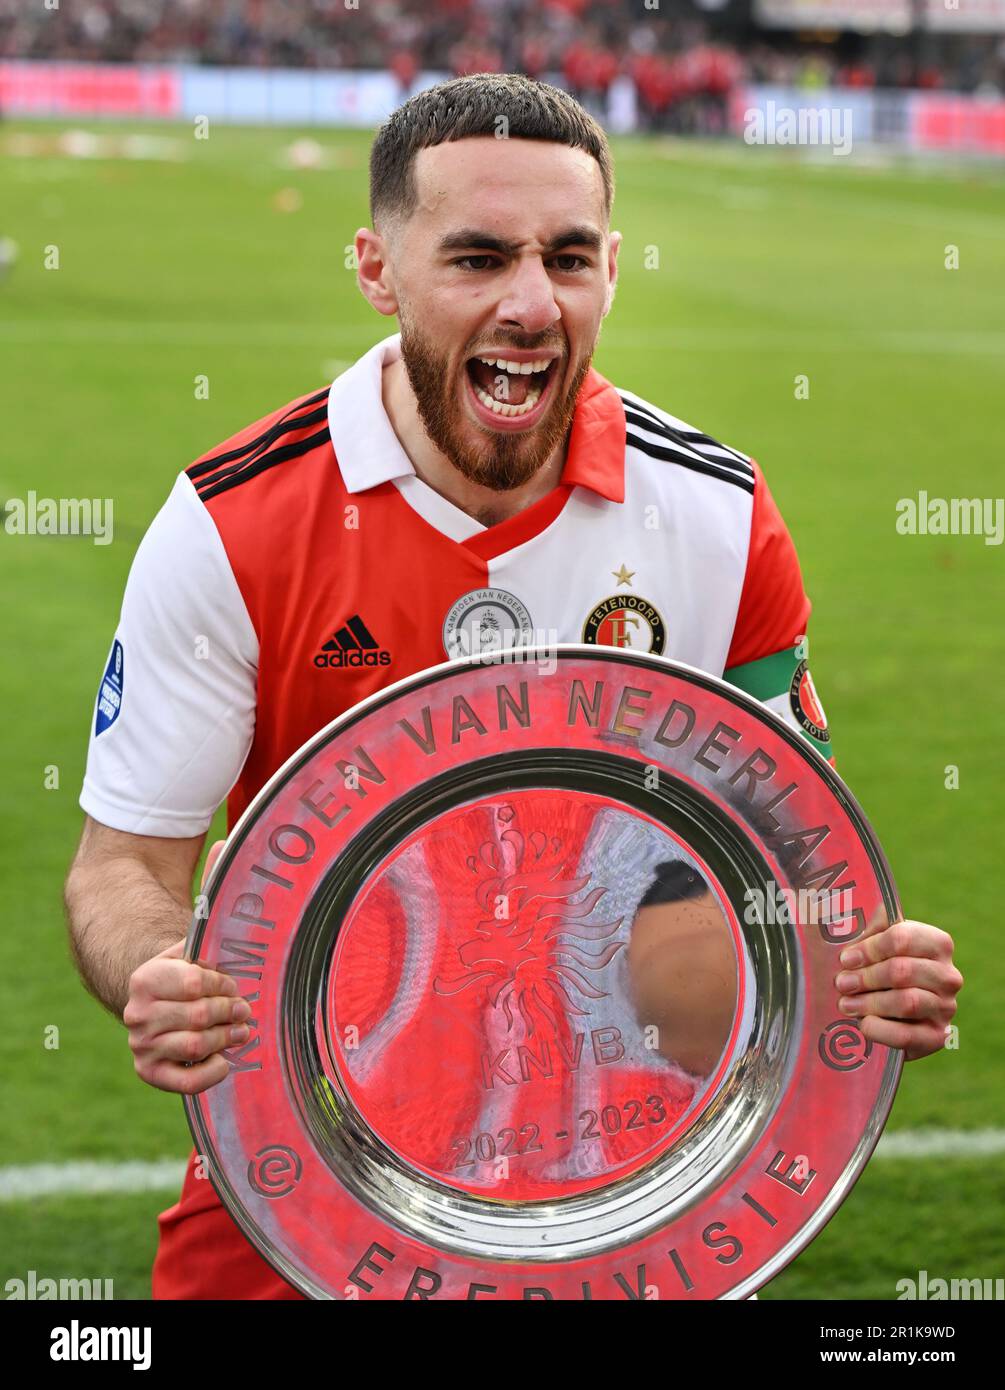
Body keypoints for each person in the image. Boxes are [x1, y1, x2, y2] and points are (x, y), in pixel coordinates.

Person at [64, 72, 963, 1301]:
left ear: (611, 269)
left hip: (622, 1194)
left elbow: (783, 869)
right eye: (479, 258)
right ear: (378, 269)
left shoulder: (720, 517)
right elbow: (123, 864)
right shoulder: (233, 522)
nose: (532, 304)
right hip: (314, 1171)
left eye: (570, 258)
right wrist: (164, 967)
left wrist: (858, 962)